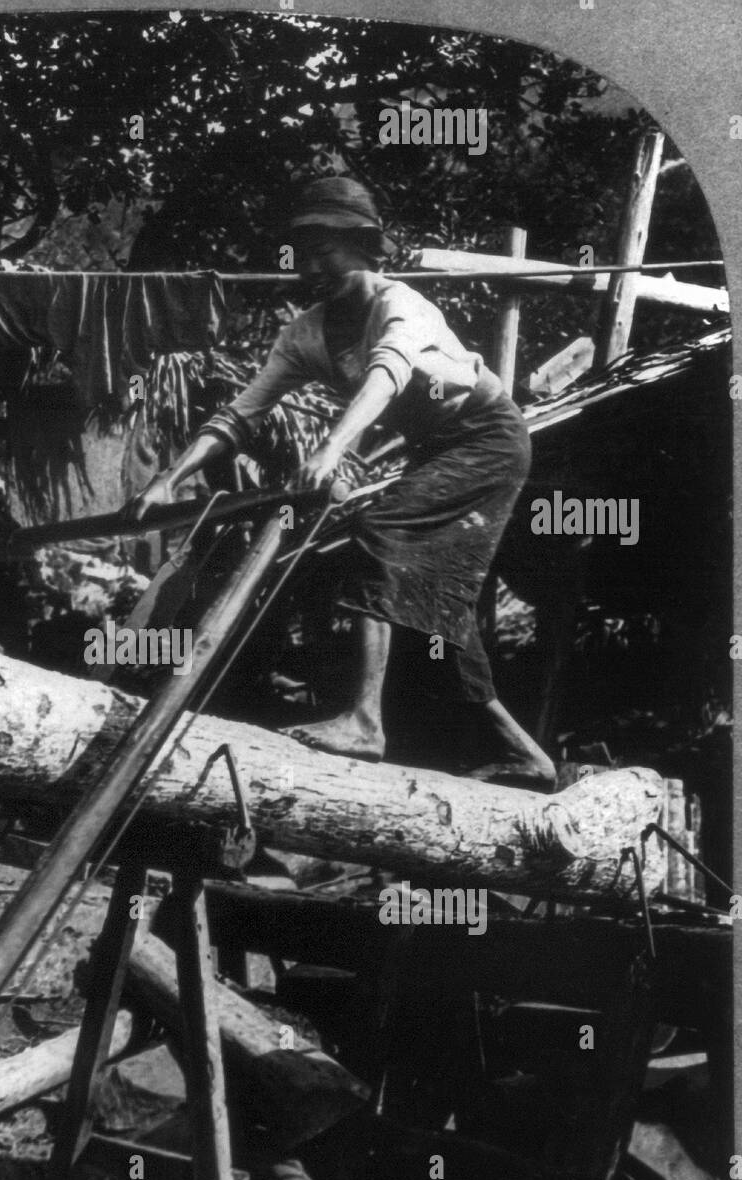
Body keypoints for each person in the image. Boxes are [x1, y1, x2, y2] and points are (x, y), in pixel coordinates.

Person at [125, 176, 555, 789]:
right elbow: (241, 413)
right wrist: (171, 478)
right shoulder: (303, 333)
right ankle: (524, 753)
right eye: (304, 258)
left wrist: (331, 448)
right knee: (442, 608)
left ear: (364, 250)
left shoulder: (401, 305)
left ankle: (363, 721)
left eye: (326, 255)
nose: (313, 269)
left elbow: (387, 375)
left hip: (488, 438)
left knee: (380, 533)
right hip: (437, 448)